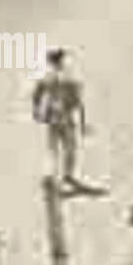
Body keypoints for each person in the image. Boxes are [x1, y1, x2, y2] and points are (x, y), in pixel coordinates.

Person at [31, 48, 86, 190]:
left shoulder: (47, 76)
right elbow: (78, 101)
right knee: (69, 148)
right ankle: (65, 175)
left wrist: (37, 111)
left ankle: (54, 176)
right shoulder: (68, 77)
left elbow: (37, 94)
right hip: (65, 118)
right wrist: (83, 122)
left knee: (54, 148)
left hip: (53, 118)